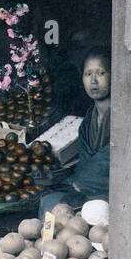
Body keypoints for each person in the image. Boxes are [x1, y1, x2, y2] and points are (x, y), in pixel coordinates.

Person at [39, 48, 111, 217]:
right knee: (48, 201)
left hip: (112, 191)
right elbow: (85, 163)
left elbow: (112, 157)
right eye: (88, 74)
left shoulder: (124, 116)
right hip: (87, 187)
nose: (93, 81)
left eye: (101, 73)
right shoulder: (88, 121)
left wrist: (79, 184)